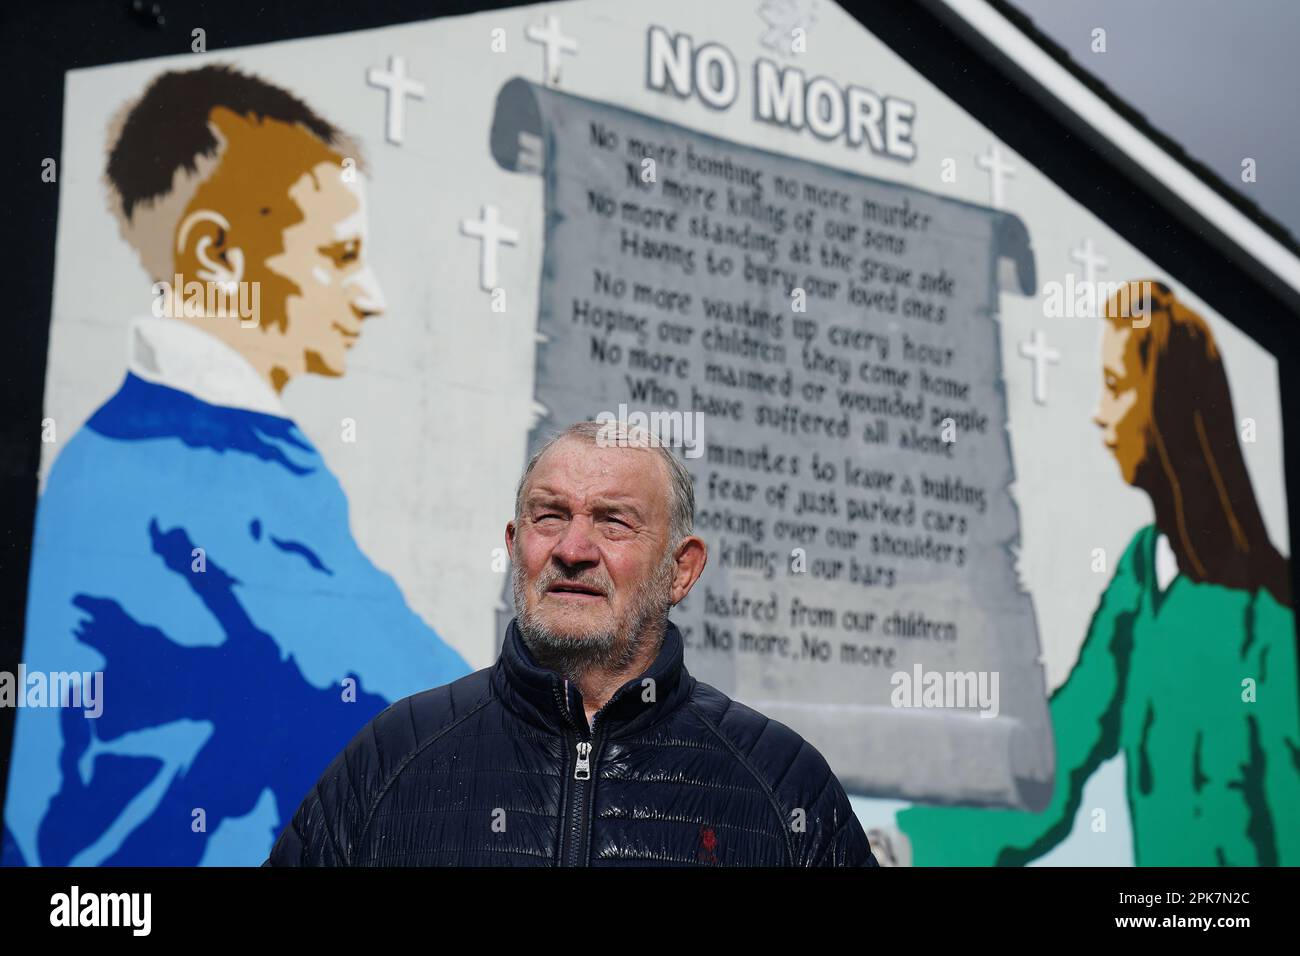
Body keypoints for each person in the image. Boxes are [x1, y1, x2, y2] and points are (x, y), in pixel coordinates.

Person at [1, 64, 468, 868]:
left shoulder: (122, 451)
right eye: (342, 254)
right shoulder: (216, 477)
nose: (372, 295)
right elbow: (439, 714)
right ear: (214, 256)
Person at [265, 420, 878, 866]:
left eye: (613, 521)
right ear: (515, 544)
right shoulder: (392, 755)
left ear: (682, 570)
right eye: (549, 516)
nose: (572, 549)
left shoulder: (783, 784)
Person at [893, 280, 1299, 866]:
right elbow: (1062, 750)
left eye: (1115, 389)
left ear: (1165, 405)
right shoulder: (1141, 576)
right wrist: (906, 847)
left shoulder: (1269, 621)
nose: (1100, 415)